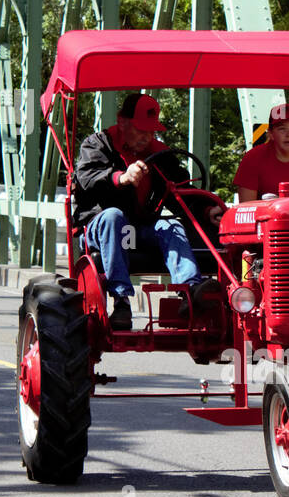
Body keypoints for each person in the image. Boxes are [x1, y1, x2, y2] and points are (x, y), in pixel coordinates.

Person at [72, 93, 199, 331]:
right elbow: (87, 179)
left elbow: (181, 192)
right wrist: (122, 178)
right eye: (141, 130)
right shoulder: (97, 144)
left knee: (171, 226)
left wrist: (207, 210)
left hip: (140, 228)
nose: (147, 137)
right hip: (98, 229)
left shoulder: (160, 153)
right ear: (122, 121)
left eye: (151, 131)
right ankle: (121, 300)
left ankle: (191, 293)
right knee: (113, 216)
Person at [233, 103, 289, 202]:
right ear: (270, 134)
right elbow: (246, 208)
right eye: (282, 129)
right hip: (263, 216)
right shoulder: (252, 159)